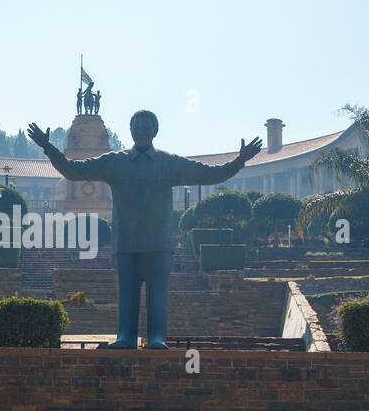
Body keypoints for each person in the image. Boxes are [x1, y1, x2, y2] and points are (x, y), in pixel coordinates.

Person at [28, 110, 261, 348]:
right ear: (130, 130)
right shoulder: (114, 162)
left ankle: (157, 336)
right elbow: (73, 170)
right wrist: (48, 147)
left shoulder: (168, 162)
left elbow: (209, 174)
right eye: (136, 126)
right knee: (126, 296)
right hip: (126, 243)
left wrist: (240, 161)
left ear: (155, 131)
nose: (141, 131)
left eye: (146, 127)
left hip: (158, 244)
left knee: (157, 297)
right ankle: (126, 336)